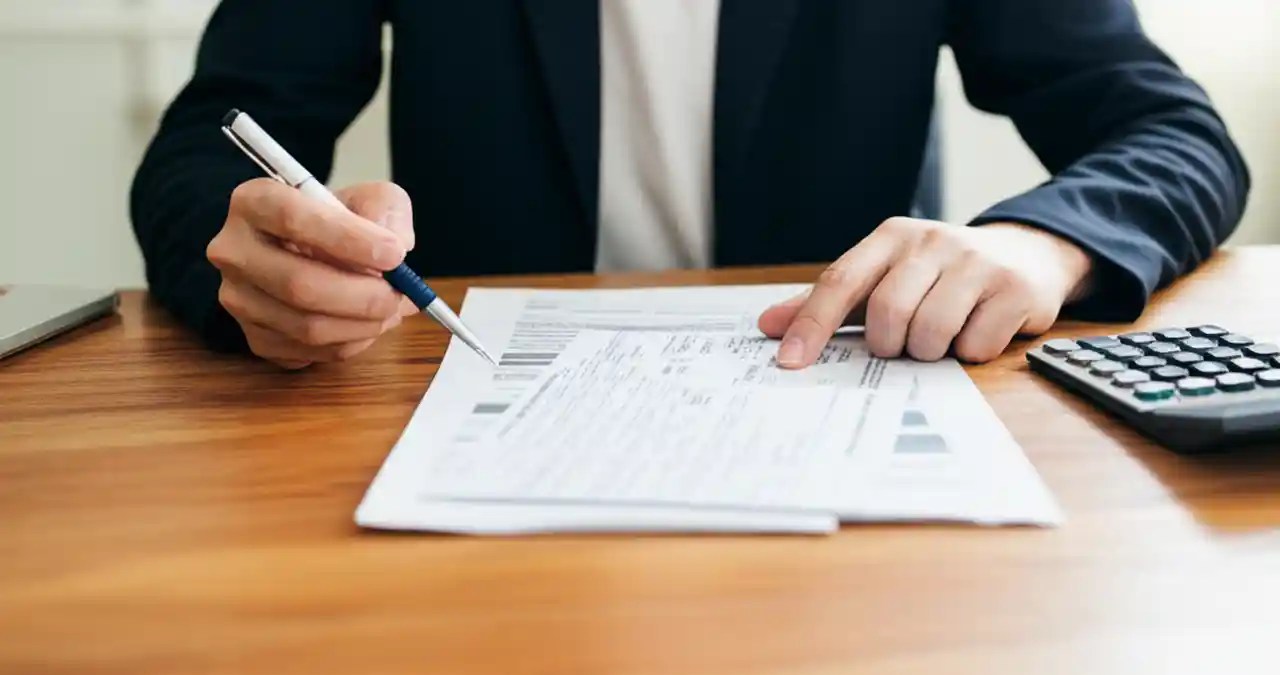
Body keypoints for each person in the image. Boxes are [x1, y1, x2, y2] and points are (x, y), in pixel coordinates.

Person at [132, 1, 1249, 370]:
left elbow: (1170, 131)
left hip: (832, 412)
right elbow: (205, 147)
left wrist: (1040, 246)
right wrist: (255, 265)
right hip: (462, 408)